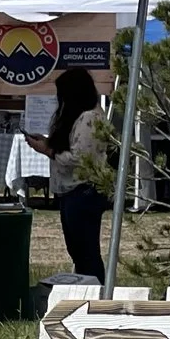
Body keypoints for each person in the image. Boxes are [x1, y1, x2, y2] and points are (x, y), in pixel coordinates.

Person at [30, 67, 107, 276]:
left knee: (87, 252)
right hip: (71, 190)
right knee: (77, 251)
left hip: (84, 190)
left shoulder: (90, 118)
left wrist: (48, 150)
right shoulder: (79, 116)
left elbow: (79, 159)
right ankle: (86, 288)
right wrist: (48, 143)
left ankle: (96, 293)